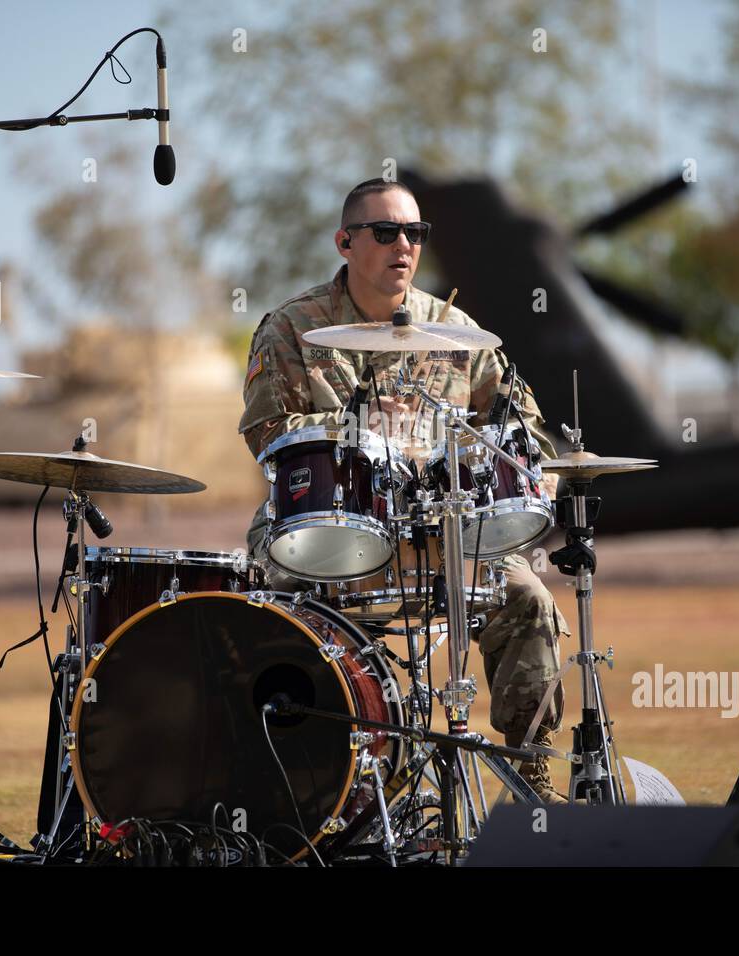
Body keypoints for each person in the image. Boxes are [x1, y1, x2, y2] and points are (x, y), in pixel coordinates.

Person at [237, 178, 570, 802]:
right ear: (345, 242)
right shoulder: (293, 327)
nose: (403, 245)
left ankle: (530, 769)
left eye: (414, 233)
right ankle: (292, 774)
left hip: (440, 528)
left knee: (526, 595)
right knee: (266, 604)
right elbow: (266, 433)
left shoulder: (454, 330)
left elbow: (517, 422)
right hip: (328, 524)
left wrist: (534, 464)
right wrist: (354, 430)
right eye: (385, 232)